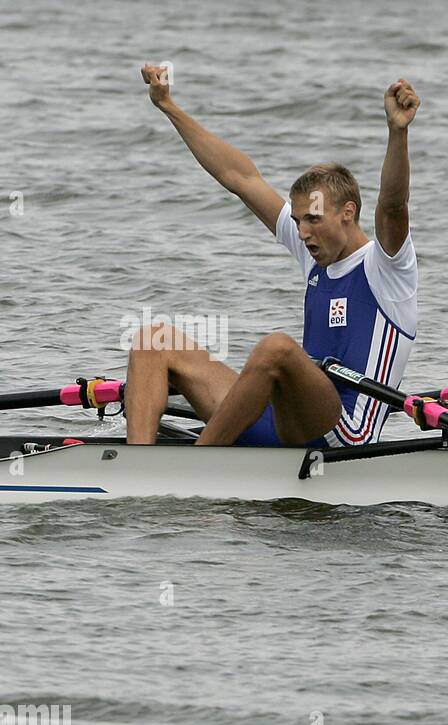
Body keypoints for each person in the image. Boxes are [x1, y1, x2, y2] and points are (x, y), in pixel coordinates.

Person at [125, 64, 420, 447]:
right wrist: (168, 106)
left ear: (348, 212)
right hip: (286, 421)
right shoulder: (313, 249)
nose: (302, 232)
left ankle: (199, 463)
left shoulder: (388, 267)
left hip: (343, 433)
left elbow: (393, 205)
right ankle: (137, 466)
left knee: (277, 348)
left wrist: (398, 132)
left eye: (312, 219)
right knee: (154, 340)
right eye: (297, 220)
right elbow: (239, 177)